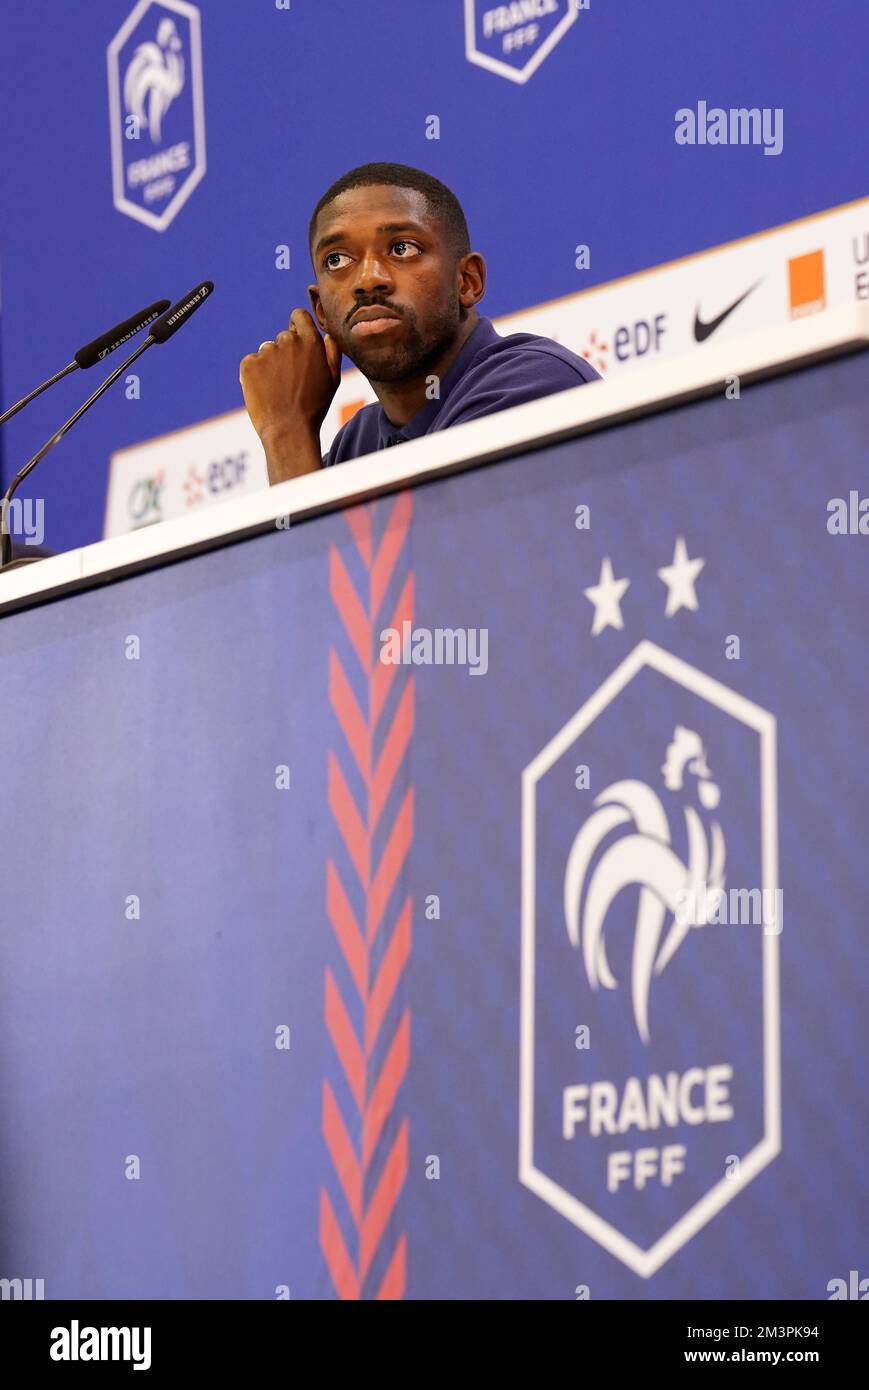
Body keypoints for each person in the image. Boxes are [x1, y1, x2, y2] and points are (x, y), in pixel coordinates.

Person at [239, 162, 600, 485]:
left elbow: (445, 557)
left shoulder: (530, 384)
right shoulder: (357, 444)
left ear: (467, 281)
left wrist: (285, 431)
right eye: (337, 259)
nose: (368, 279)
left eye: (402, 249)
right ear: (320, 311)